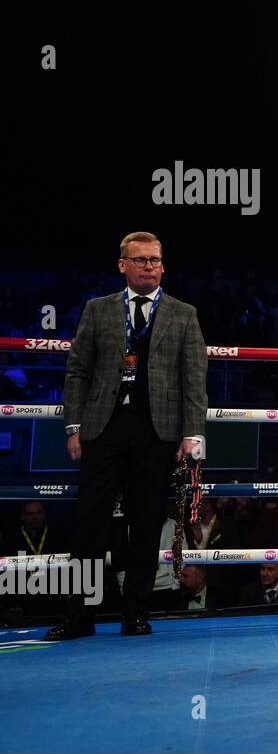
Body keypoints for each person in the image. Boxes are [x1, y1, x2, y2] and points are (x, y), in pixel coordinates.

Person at [47, 231, 208, 641]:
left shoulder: (182, 313)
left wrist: (193, 434)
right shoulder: (98, 310)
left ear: (163, 265)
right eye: (140, 260)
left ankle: (135, 612)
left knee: (147, 523)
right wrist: (73, 427)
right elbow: (78, 370)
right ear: (123, 265)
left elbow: (194, 378)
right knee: (89, 523)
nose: (149, 266)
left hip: (158, 433)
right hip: (103, 428)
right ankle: (77, 616)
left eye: (155, 260)